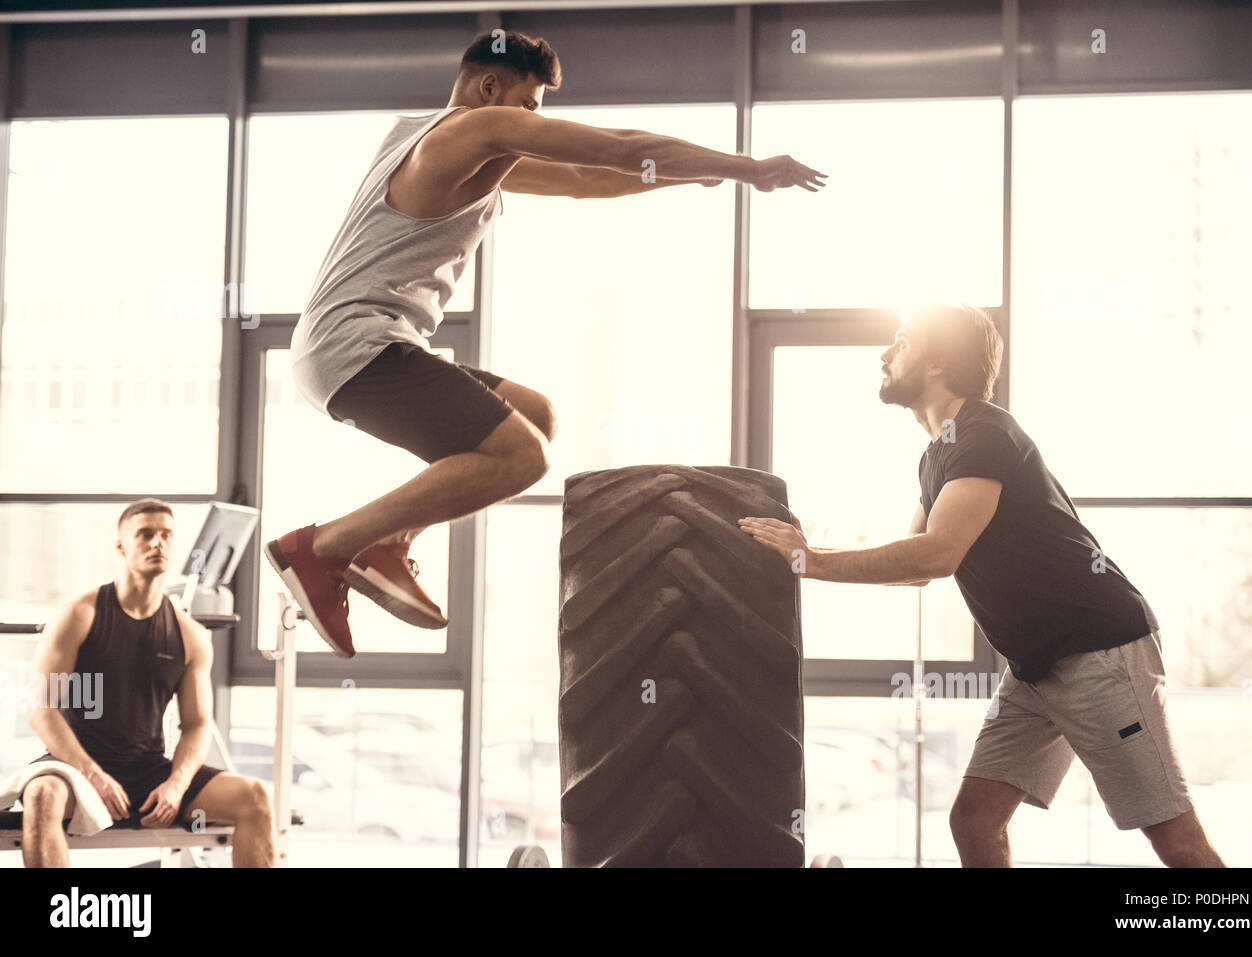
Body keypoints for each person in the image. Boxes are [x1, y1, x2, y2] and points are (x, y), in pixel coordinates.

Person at [264, 29, 825, 657]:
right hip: (353, 346)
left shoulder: (439, 140)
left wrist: (682, 177)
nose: (533, 120)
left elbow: (587, 178)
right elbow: (623, 148)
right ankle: (323, 548)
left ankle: (390, 542)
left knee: (536, 416)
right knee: (522, 458)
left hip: (359, 342)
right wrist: (745, 167)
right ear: (489, 88)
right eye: (529, 106)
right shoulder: (464, 133)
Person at [739, 304, 1225, 867]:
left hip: (1100, 654)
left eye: (901, 341)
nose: (884, 354)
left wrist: (811, 563)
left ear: (940, 361)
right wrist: (813, 551)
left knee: (1175, 840)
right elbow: (917, 565)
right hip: (1036, 669)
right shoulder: (936, 457)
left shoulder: (986, 433)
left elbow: (940, 553)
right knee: (974, 821)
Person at [19, 499, 275, 868]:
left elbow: (198, 724)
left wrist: (177, 783)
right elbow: (41, 709)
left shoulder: (191, 635)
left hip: (147, 770)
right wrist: (93, 774)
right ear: (121, 546)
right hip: (77, 768)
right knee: (42, 795)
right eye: (146, 534)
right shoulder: (79, 615)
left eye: (166, 535)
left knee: (255, 796)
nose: (158, 543)